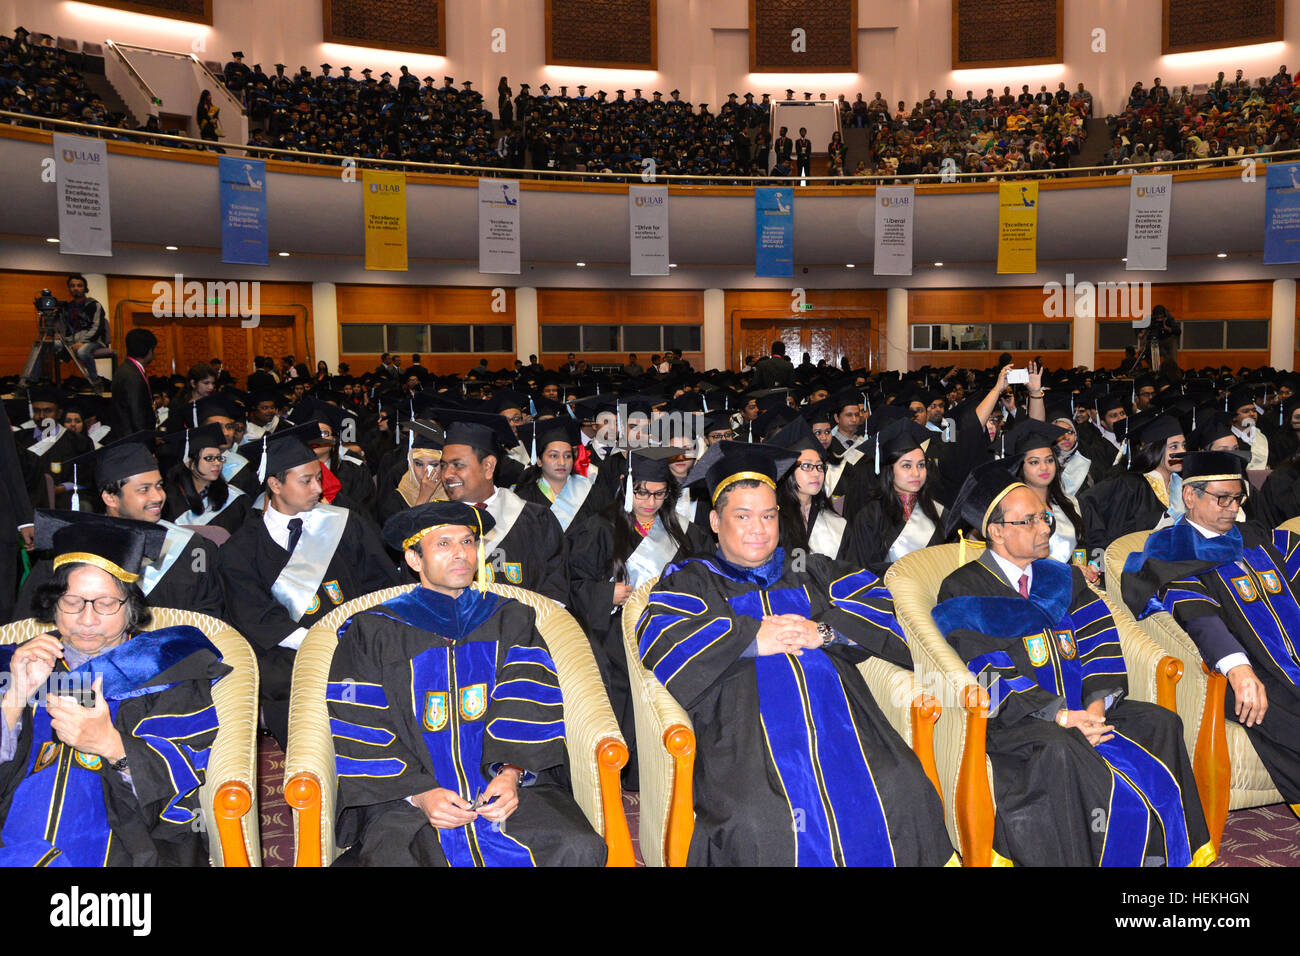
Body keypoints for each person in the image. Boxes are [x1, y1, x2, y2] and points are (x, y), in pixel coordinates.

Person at [638, 441, 955, 866]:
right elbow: (662, 637)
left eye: (769, 515)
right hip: (743, 738)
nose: (759, 529)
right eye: (743, 516)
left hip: (843, 724)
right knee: (759, 821)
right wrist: (750, 639)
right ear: (715, 521)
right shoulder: (690, 578)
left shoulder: (810, 567)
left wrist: (821, 631)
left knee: (905, 790)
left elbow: (882, 609)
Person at [933, 462, 1212, 866]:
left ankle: (1166, 855)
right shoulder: (963, 588)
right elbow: (982, 669)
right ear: (996, 531)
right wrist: (1062, 715)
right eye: (1028, 521)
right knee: (1062, 747)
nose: (1045, 528)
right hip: (1018, 721)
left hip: (1082, 705)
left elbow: (1100, 639)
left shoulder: (1060, 577)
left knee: (1160, 721)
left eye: (1044, 517)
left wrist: (1096, 707)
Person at [326, 502, 607, 866]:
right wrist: (420, 793)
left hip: (503, 792)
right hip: (406, 799)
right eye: (443, 544)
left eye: (468, 542)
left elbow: (530, 697)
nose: (461, 553)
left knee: (578, 847)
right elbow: (354, 712)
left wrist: (512, 774)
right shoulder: (371, 631)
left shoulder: (509, 619)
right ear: (414, 559)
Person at [0, 510, 230, 866]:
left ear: (130, 607)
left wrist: (110, 745)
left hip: (123, 845)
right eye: (72, 602)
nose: (87, 619)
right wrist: (14, 698)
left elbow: (187, 779)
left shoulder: (166, 664)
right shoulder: (17, 662)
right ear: (53, 604)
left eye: (106, 603)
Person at [1122, 451, 1300, 813]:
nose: (1232, 508)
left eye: (1238, 498)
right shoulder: (1172, 548)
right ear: (1190, 496)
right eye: (1222, 498)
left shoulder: (1254, 536)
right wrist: (1239, 669)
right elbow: (1200, 617)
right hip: (1245, 669)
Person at [220, 424, 401, 748]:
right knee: (292, 694)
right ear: (275, 484)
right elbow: (254, 616)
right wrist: (319, 643)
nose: (318, 488)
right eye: (306, 481)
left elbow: (381, 583)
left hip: (355, 643)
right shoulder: (240, 549)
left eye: (318, 477)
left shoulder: (346, 524)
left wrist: (361, 635)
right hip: (288, 656)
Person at [566, 448, 711, 787]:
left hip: (667, 630)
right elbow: (573, 583)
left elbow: (700, 578)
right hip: (614, 633)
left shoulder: (682, 532)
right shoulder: (599, 528)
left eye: (659, 493)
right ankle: (623, 774)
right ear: (626, 486)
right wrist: (606, 594)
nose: (649, 501)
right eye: (641, 491)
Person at [16, 433, 224, 621]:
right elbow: (31, 621)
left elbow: (209, 613)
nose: (158, 497)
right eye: (144, 489)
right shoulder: (68, 549)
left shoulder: (193, 548)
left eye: (159, 486)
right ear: (110, 497)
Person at [436, 409, 569, 605]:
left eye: (458, 465)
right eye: (444, 465)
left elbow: (555, 586)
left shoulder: (534, 519)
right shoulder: (434, 524)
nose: (447, 474)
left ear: (488, 467)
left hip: (524, 631)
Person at [842, 418, 947, 575]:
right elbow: (859, 572)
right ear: (890, 470)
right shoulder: (870, 517)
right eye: (906, 465)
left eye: (921, 465)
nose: (916, 473)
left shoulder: (940, 513)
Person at [1079, 415, 1185, 554]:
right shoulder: (1130, 485)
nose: (1182, 452)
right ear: (1155, 449)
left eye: (1184, 445)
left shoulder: (1184, 486)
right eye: (1173, 447)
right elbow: (1116, 531)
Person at [1005, 420, 1096, 581]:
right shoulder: (1012, 512)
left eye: (1049, 460)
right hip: (1038, 588)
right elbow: (1018, 560)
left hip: (1076, 583)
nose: (1044, 467)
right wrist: (1070, 571)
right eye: (1034, 462)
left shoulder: (1070, 503)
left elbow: (1089, 544)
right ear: (1020, 467)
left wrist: (1092, 569)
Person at [770, 417, 847, 559]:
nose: (816, 473)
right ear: (788, 471)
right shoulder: (773, 518)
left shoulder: (833, 519)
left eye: (819, 466)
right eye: (806, 466)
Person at [512, 418, 606, 533]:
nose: (562, 462)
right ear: (539, 461)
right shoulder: (524, 500)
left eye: (567, 456)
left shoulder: (591, 491)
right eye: (553, 456)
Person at [159, 422, 250, 534]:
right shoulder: (168, 501)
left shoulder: (234, 497)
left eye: (219, 458)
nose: (217, 463)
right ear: (190, 464)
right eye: (209, 458)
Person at [376, 421, 446, 525]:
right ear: (411, 465)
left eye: (433, 464)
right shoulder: (396, 501)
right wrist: (423, 498)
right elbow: (399, 538)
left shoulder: (455, 495)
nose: (425, 472)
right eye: (419, 464)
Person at [111, 329, 157, 436]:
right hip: (134, 441)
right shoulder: (132, 376)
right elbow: (137, 415)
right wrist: (146, 440)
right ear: (149, 350)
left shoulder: (126, 369)